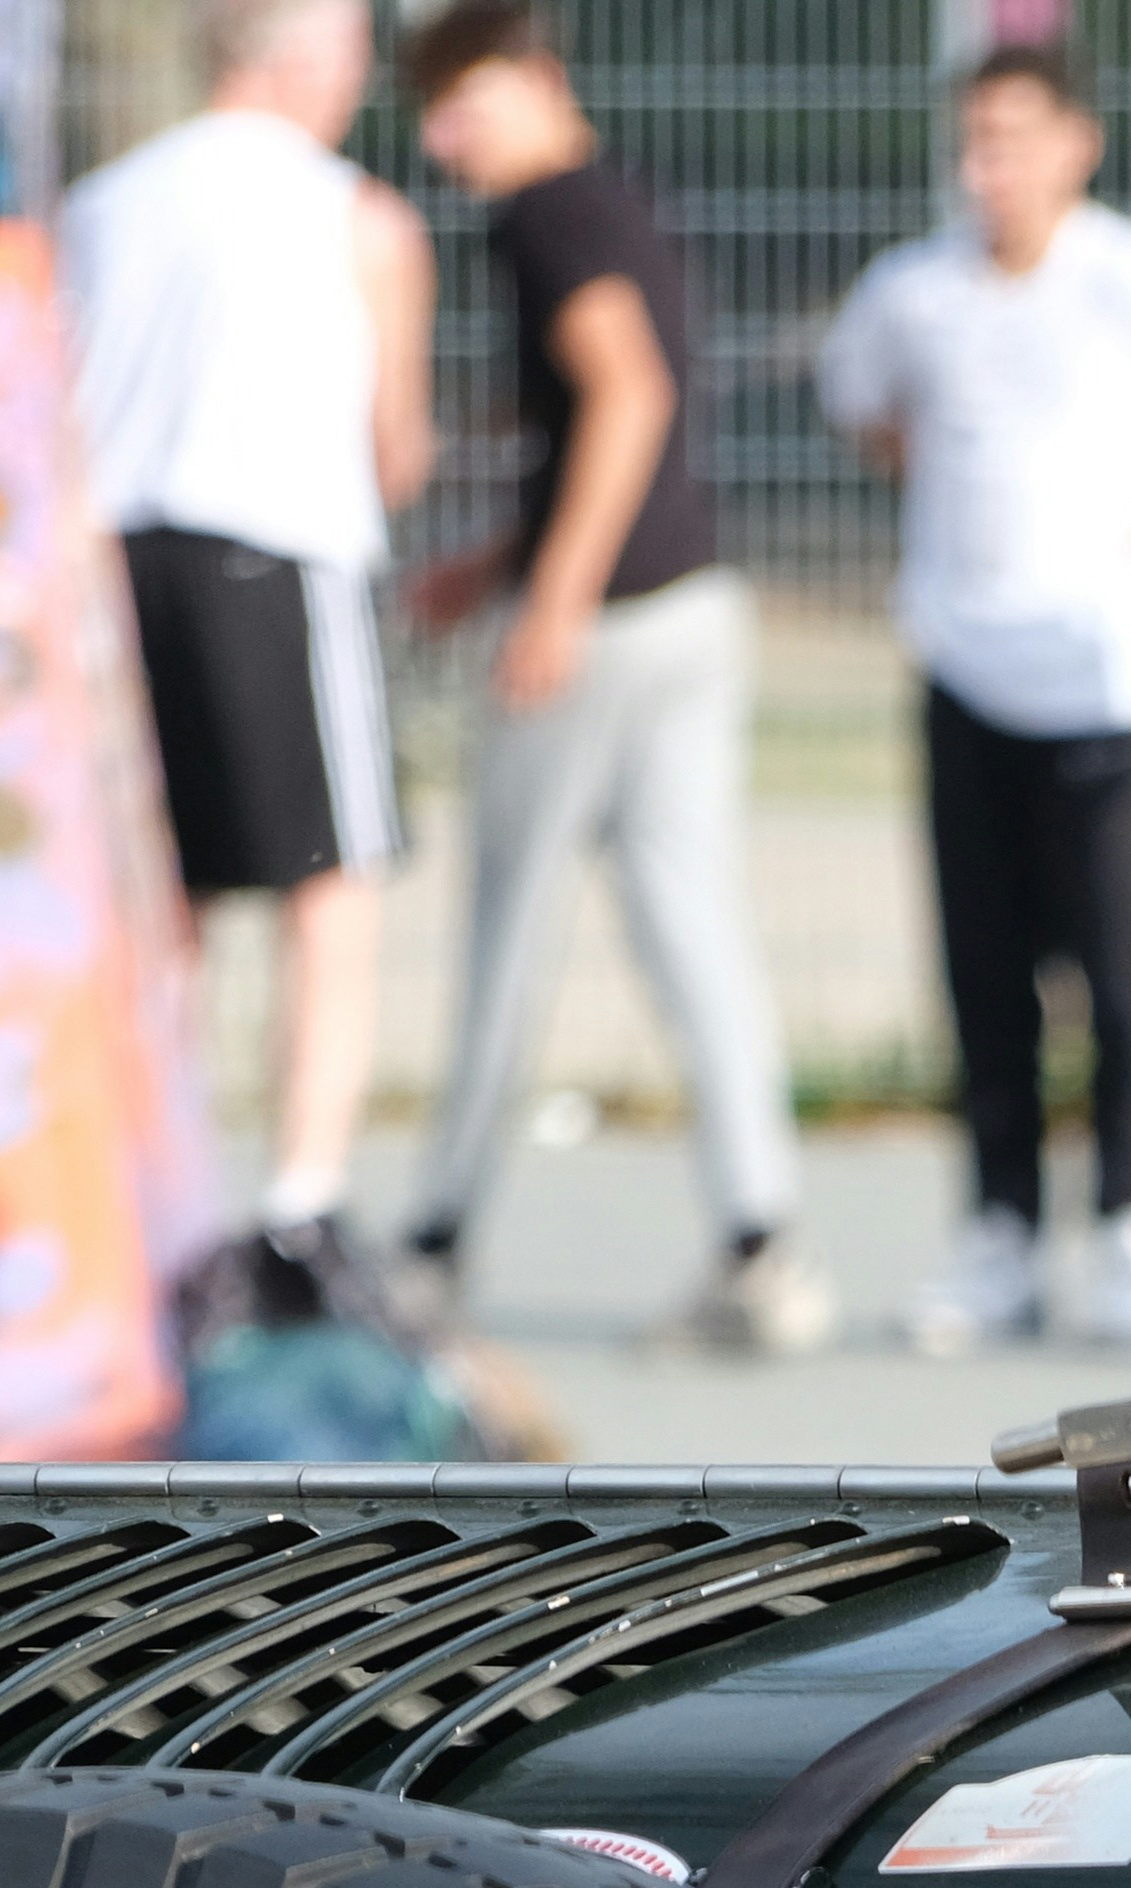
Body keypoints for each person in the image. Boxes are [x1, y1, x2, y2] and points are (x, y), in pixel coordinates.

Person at [815, 46, 1131, 1357]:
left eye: (1017, 137)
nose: (993, 166)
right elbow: (867, 409)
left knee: (1110, 963)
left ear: (1075, 145)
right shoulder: (914, 292)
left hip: (1098, 672)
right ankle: (996, 1234)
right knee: (981, 961)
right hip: (962, 663)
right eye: (975, 141)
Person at [390, 0, 820, 1353]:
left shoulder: (545, 217)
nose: (446, 135)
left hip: (611, 628)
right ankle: (764, 1239)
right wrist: (497, 561)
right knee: (692, 920)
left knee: (509, 930)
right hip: (693, 603)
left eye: (467, 100)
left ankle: (431, 1245)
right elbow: (613, 426)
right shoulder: (614, 198)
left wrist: (550, 603)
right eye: (432, 111)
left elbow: (624, 397)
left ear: (535, 80)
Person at [61, 0, 432, 1251]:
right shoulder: (354, 216)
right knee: (333, 889)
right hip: (275, 557)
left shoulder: (104, 203)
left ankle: (147, 1183)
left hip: (116, 571)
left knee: (160, 901)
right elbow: (394, 446)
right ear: (309, 60)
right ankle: (301, 1201)